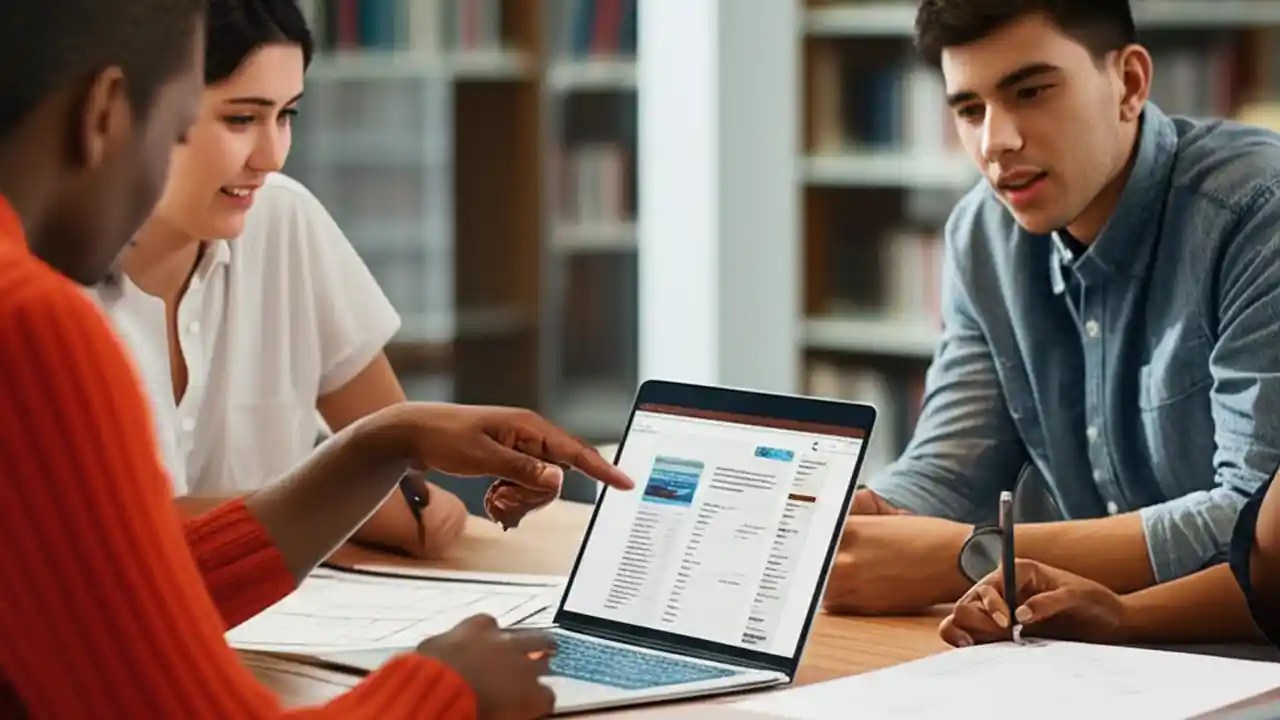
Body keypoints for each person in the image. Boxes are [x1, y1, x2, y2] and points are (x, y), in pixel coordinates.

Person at [0, 1, 634, 717]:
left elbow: (106, 603)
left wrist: (378, 443)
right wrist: (450, 692)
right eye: (178, 127)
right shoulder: (30, 320)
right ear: (105, 113)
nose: (269, 159)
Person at [824, 0, 1280, 616]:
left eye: (1032, 92)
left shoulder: (1255, 212)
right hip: (1082, 655)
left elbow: (1257, 528)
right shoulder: (982, 235)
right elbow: (950, 471)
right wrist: (866, 518)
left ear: (1130, 83)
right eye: (969, 109)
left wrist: (975, 555)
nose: (996, 142)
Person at [93, 0, 469, 559]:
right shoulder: (40, 282)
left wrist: (376, 499)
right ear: (128, 109)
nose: (271, 157)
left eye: (287, 115)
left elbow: (395, 463)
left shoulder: (284, 219)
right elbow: (118, 537)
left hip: (276, 626)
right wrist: (320, 501)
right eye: (241, 118)